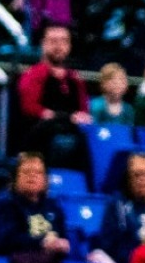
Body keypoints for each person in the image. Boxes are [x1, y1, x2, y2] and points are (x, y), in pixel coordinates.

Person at [0, 154, 71, 263]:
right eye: (26, 172)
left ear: (46, 180)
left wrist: (62, 245)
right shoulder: (4, 205)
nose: (32, 176)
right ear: (15, 178)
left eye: (38, 172)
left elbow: (63, 236)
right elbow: (2, 241)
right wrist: (41, 243)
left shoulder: (53, 207)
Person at [14, 24, 91, 171]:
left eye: (63, 41)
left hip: (71, 131)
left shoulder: (75, 79)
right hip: (40, 138)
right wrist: (65, 117)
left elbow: (84, 113)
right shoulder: (33, 75)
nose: (59, 46)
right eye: (53, 41)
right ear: (43, 44)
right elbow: (30, 108)